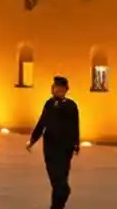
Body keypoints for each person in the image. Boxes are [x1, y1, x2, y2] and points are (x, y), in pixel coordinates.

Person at [26, 76, 80, 209]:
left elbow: (75, 126)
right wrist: (33, 140)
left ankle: (56, 206)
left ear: (65, 90)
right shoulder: (49, 104)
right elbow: (42, 123)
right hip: (50, 149)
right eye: (55, 87)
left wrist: (76, 143)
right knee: (58, 182)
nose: (56, 90)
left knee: (61, 182)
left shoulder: (71, 106)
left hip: (65, 150)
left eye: (59, 88)